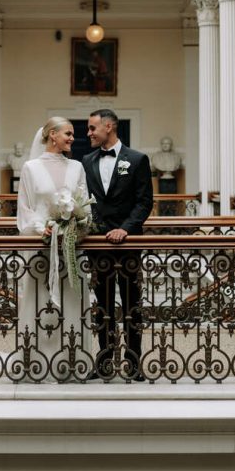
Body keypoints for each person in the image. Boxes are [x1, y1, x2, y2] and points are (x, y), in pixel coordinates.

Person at [15, 117, 92, 380]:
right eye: (68, 134)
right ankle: (36, 360)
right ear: (51, 135)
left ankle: (72, 361)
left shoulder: (77, 167)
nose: (72, 138)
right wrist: (41, 228)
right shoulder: (30, 168)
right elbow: (25, 208)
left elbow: (85, 203)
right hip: (41, 247)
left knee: (73, 298)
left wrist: (78, 224)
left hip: (71, 246)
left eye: (72, 135)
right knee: (40, 300)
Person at [83, 108, 153, 380]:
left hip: (128, 246)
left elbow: (144, 201)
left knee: (132, 305)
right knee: (102, 307)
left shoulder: (136, 160)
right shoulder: (87, 161)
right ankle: (103, 362)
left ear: (109, 127)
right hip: (98, 245)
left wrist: (125, 230)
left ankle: (133, 364)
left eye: (92, 128)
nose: (88, 133)